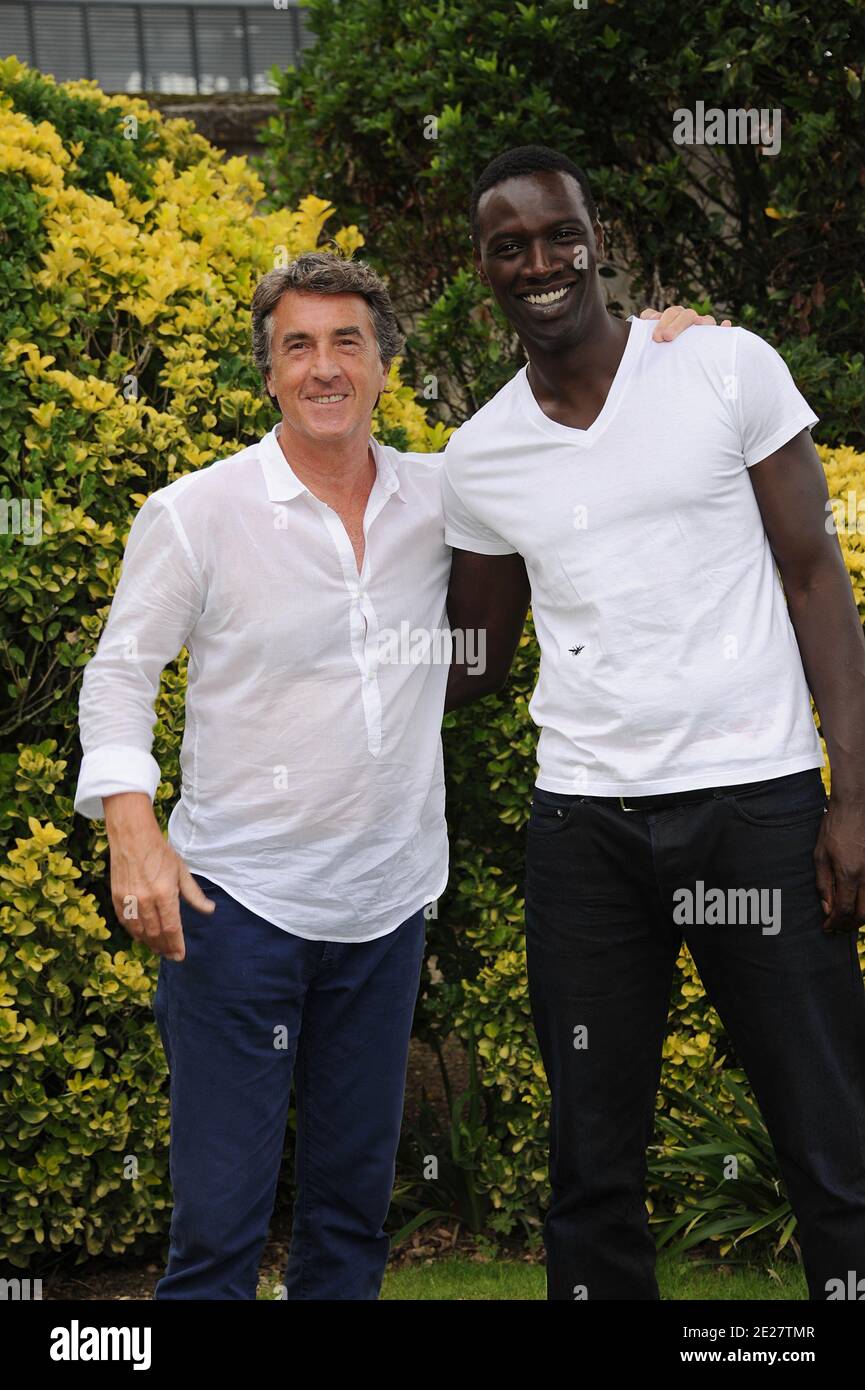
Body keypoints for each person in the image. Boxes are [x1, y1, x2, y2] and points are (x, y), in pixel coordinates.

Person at [74, 249, 709, 1300]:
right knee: (220, 1237)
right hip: (233, 911)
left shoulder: (442, 493)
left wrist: (665, 348)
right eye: (299, 347)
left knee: (348, 1223)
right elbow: (118, 674)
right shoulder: (197, 512)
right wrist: (132, 827)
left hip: (384, 911)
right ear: (269, 373)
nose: (325, 367)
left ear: (382, 364)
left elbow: (586, 454)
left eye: (347, 342)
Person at [443, 145, 865, 1301]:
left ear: (597, 238)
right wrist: (317, 655)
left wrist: (853, 798)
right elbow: (472, 659)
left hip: (760, 809)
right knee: (590, 1162)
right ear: (481, 268)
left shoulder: (724, 368)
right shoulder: (478, 456)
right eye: (509, 245)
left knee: (832, 1140)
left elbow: (815, 578)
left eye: (557, 233)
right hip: (586, 832)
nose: (540, 260)